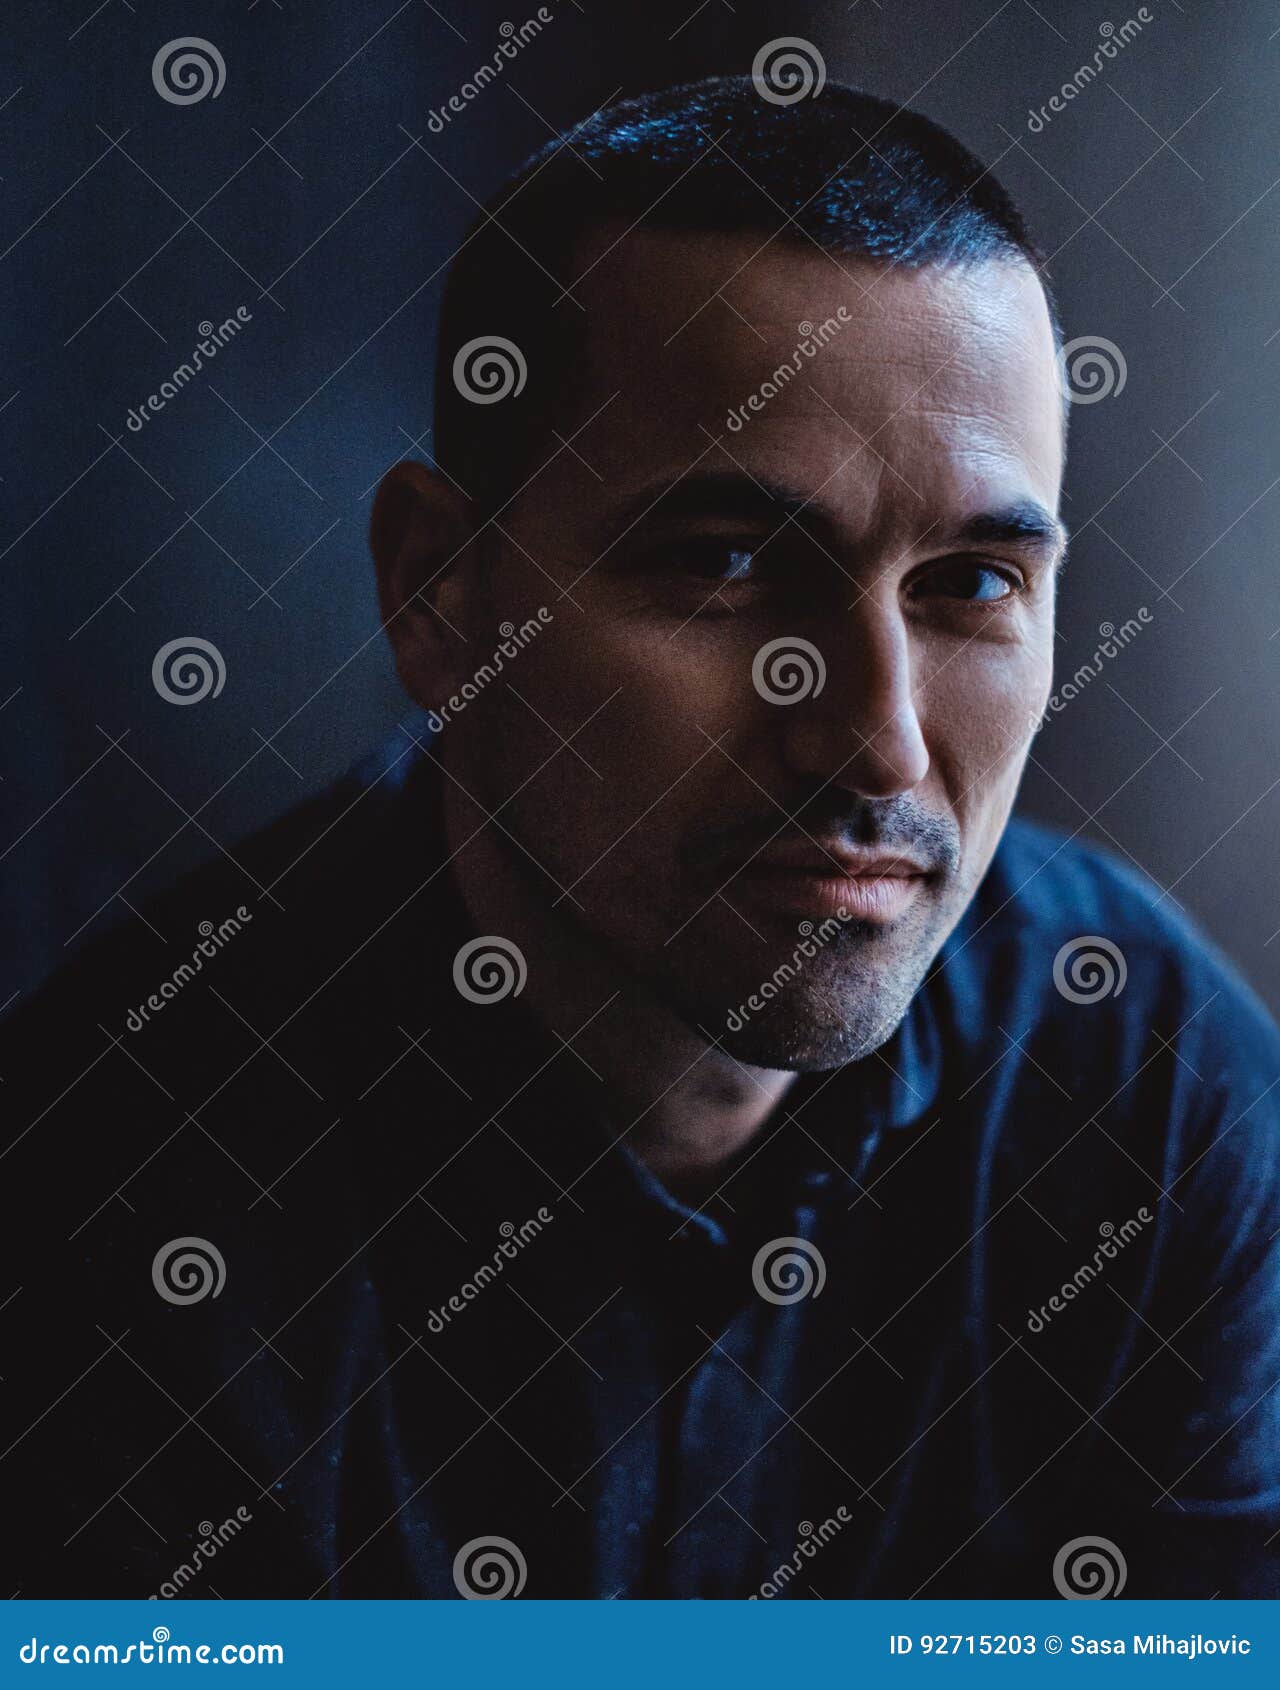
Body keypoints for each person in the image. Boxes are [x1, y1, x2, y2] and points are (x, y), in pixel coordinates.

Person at [3, 76, 1278, 1601]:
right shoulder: (101, 1205)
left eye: (973, 585)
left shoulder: (1149, 1083)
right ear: (437, 590)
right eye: (728, 565)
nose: (879, 739)